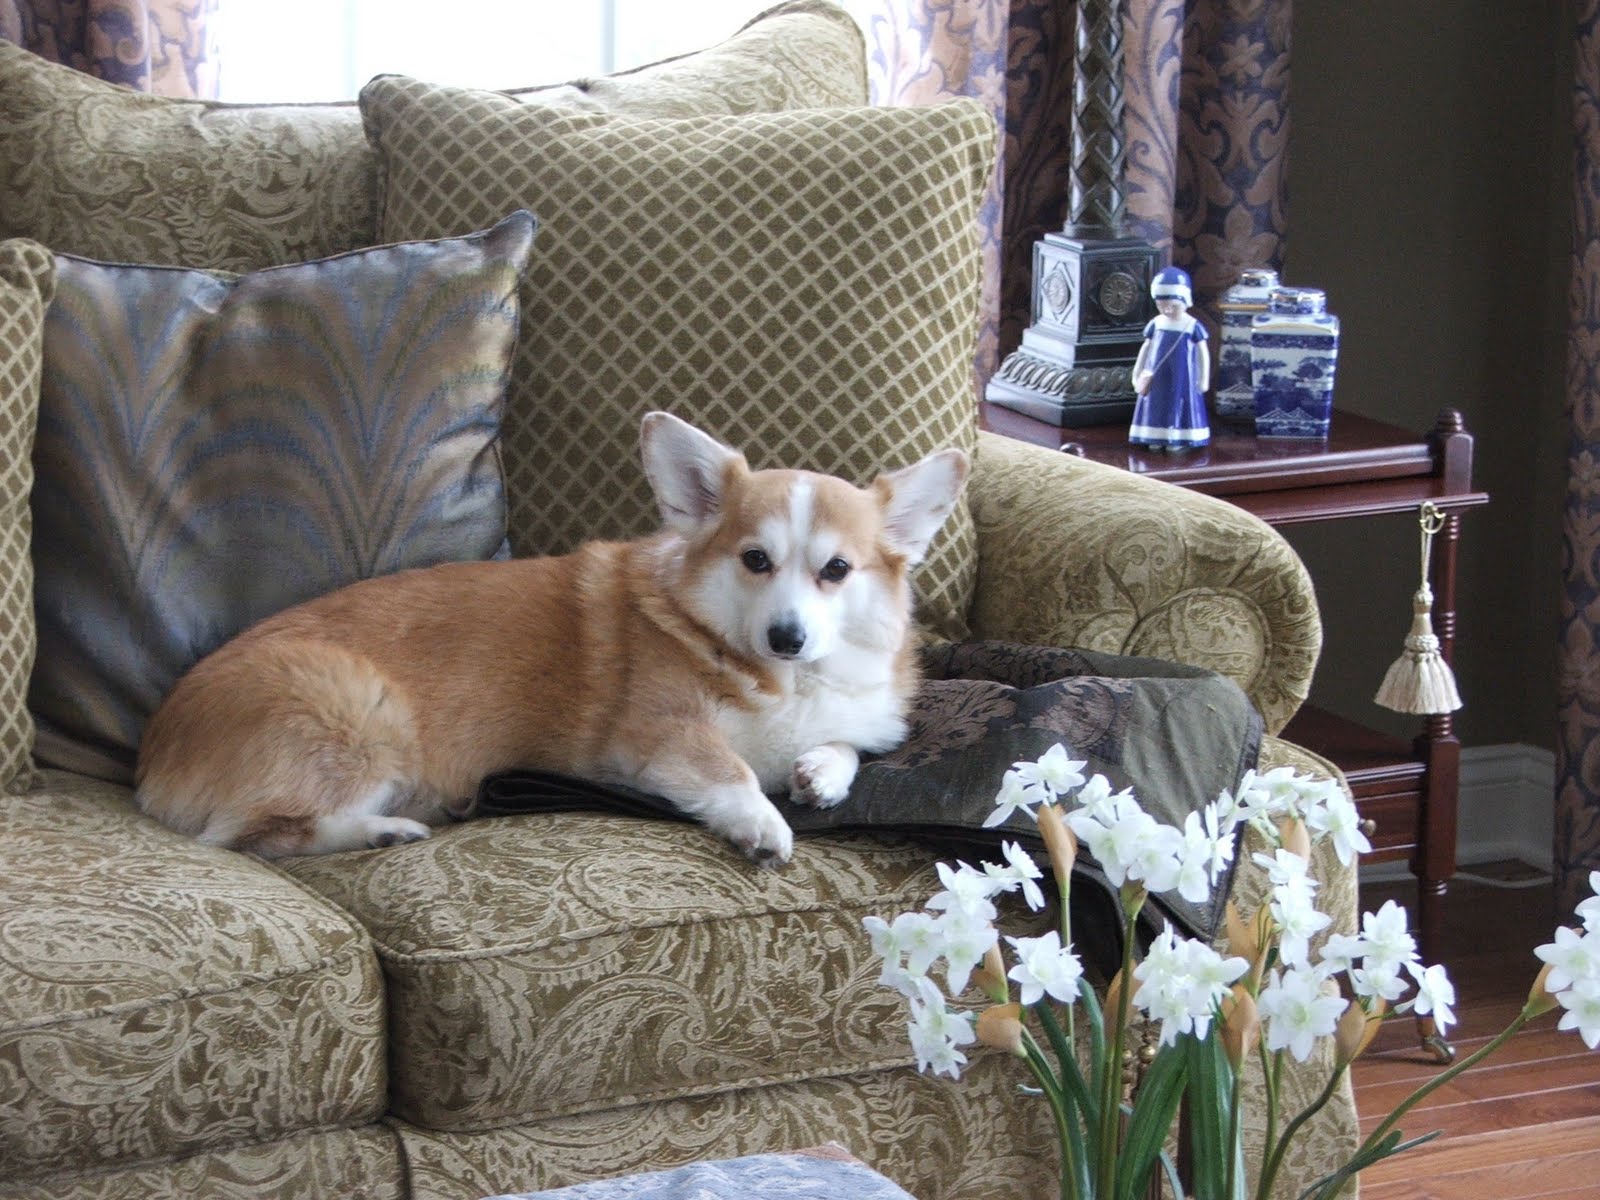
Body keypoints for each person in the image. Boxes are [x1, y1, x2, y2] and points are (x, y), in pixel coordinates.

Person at [1129, 266, 1210, 450]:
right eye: (1161, 305)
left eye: (1172, 306)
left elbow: (1202, 352)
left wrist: (1203, 380)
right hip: (1157, 376)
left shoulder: (1191, 325)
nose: (1166, 310)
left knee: (1179, 402)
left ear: (1185, 300)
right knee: (1155, 403)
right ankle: (1153, 436)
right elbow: (1146, 347)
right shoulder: (1156, 323)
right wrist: (1137, 373)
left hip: (1183, 376)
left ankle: (1178, 438)